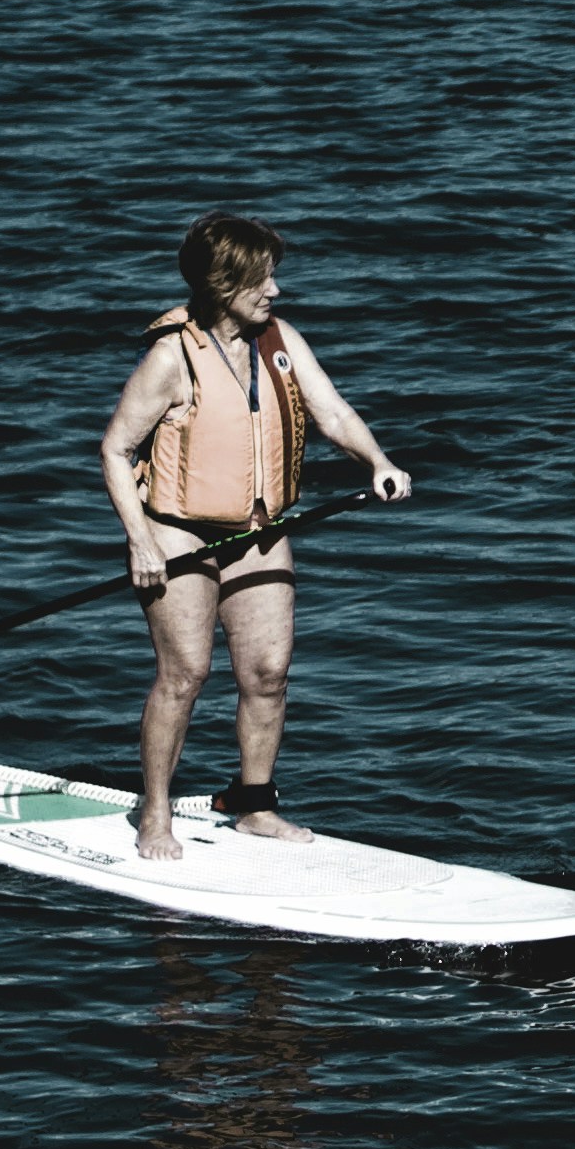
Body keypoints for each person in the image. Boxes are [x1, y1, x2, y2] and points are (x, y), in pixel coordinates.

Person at [97, 212, 410, 863]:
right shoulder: (171, 357)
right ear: (222, 284)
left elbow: (330, 412)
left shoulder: (279, 341)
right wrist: (140, 542)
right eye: (261, 280)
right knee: (184, 675)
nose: (275, 291)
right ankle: (154, 809)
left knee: (267, 675)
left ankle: (254, 804)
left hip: (261, 530)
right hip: (179, 534)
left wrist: (377, 462)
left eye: (273, 276)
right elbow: (117, 449)